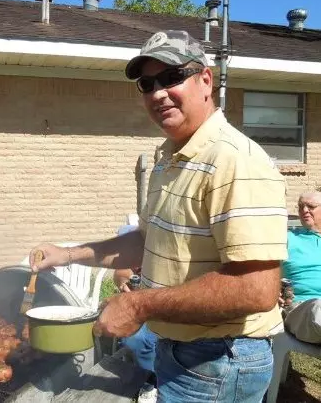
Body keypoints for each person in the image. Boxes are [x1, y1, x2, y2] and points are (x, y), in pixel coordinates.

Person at [30, 30, 288, 402]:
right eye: (147, 84)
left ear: (205, 80)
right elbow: (146, 242)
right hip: (181, 348)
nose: (157, 93)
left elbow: (256, 289)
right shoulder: (171, 157)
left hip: (218, 359)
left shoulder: (235, 161)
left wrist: (138, 303)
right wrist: (69, 254)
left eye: (171, 78)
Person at [281, 191, 321, 344]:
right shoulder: (288, 238)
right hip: (303, 307)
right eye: (300, 207)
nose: (304, 210)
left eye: (310, 206)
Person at [114, 267, 158, 403]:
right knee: (136, 338)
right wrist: (124, 281)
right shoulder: (147, 247)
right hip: (141, 307)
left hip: (182, 304)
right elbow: (120, 272)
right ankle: (148, 383)